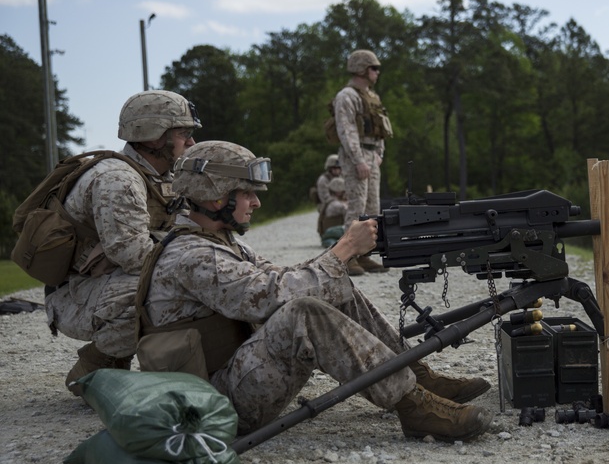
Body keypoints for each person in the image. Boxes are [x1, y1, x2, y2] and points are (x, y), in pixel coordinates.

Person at [135, 140, 492, 441]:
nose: (256, 203)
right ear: (214, 197)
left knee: (333, 284)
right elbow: (270, 296)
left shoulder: (215, 241)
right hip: (215, 403)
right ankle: (413, 406)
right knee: (304, 310)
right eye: (245, 193)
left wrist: (337, 260)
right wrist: (343, 251)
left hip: (231, 377)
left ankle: (417, 376)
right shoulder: (192, 255)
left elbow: (284, 275)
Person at [49, 90, 200, 395]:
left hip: (106, 283)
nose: (192, 143)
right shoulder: (118, 179)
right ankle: (94, 367)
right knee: (169, 285)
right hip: (75, 294)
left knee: (193, 273)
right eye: (184, 133)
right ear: (155, 137)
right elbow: (135, 255)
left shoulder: (162, 177)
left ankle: (126, 364)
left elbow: (189, 234)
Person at [332, 49, 392, 275]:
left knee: (372, 208)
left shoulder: (372, 97)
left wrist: (379, 154)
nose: (377, 72)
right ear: (362, 69)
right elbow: (346, 131)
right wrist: (358, 160)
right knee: (356, 207)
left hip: (371, 155)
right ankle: (346, 257)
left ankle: (364, 254)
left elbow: (381, 129)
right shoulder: (347, 96)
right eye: (374, 68)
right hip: (355, 156)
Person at [315, 153, 348, 247]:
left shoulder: (341, 177)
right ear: (329, 168)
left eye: (339, 168)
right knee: (343, 208)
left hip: (341, 200)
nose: (337, 170)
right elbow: (325, 198)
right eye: (334, 168)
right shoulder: (323, 180)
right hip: (328, 204)